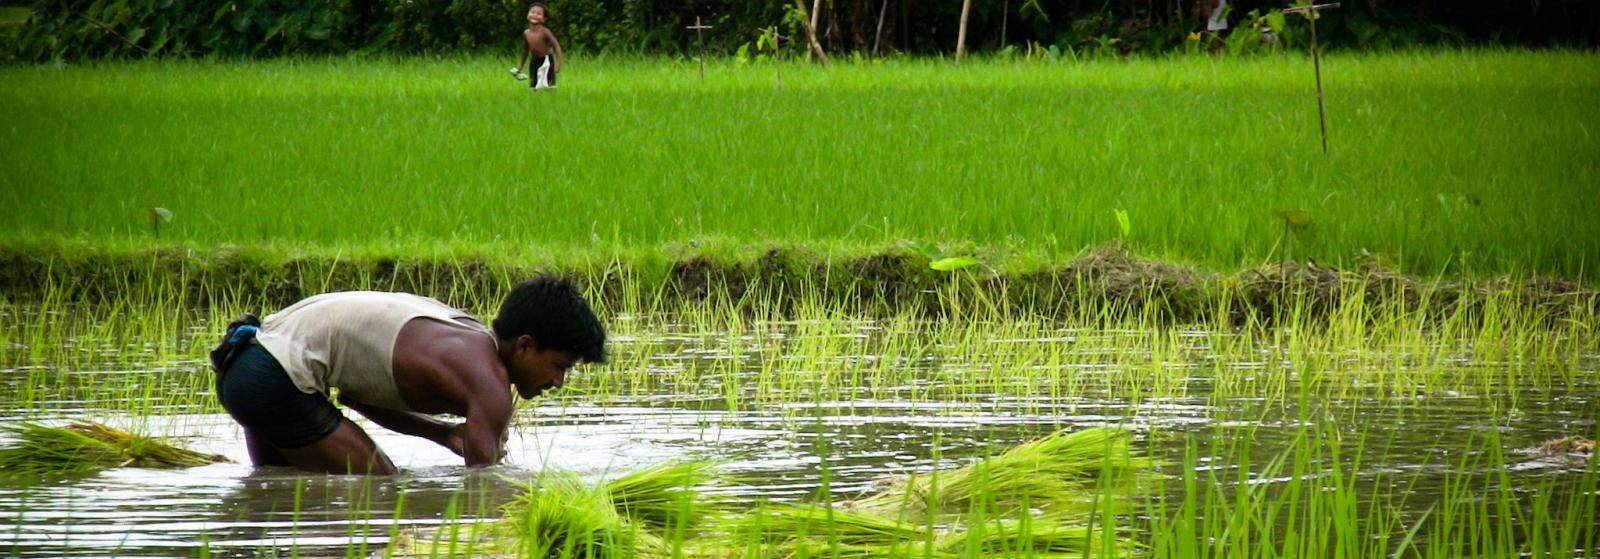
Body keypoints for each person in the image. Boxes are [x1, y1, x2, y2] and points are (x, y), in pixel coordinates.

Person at [208, 275, 606, 475]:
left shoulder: (461, 336)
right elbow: (483, 484)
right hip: (275, 377)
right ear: (523, 345)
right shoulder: (491, 384)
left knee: (275, 496)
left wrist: (440, 434)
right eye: (559, 366)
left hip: (245, 364)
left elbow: (355, 397)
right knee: (383, 488)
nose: (559, 383)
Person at [513, 3, 564, 89]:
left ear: (544, 19)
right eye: (532, 12)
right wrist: (520, 66)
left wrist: (558, 64)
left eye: (539, 14)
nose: (535, 15)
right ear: (527, 14)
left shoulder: (545, 32)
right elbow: (525, 50)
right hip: (534, 61)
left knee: (549, 85)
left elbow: (557, 46)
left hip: (547, 60)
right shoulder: (526, 33)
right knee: (533, 84)